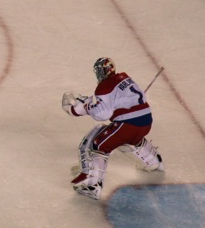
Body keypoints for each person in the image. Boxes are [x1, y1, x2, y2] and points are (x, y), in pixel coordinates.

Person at [62, 57, 165, 200]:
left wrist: (84, 108)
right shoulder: (124, 79)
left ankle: (91, 185)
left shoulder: (105, 86)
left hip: (128, 124)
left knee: (97, 145)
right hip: (146, 122)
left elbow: (102, 113)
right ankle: (154, 162)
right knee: (132, 139)